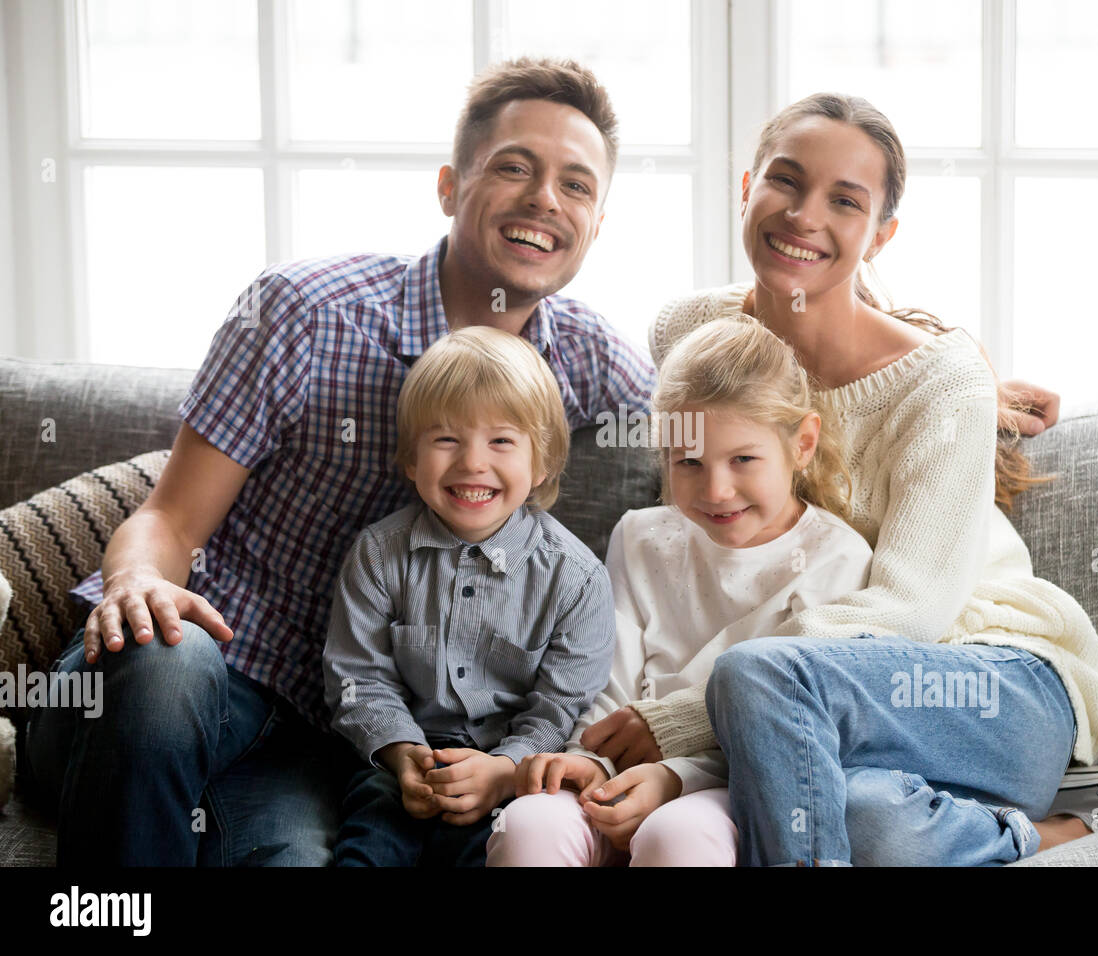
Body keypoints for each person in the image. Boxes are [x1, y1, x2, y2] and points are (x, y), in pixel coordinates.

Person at [581, 92, 1098, 866]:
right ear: (746, 188)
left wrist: (682, 719)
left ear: (881, 234)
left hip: (988, 682)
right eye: (785, 181)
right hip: (827, 711)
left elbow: (911, 608)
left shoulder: (941, 385)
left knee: (755, 673)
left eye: (845, 200)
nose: (804, 215)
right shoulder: (689, 331)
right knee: (867, 826)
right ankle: (1051, 829)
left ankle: (1013, 790)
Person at [22, 57, 656, 867]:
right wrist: (136, 581)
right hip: (188, 677)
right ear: (449, 187)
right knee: (169, 657)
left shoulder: (582, 354)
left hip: (319, 744)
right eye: (514, 168)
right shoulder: (304, 312)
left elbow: (723, 425)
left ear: (597, 224)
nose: (545, 200)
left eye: (577, 186)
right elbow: (169, 519)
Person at [485, 318, 873, 866]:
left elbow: (796, 729)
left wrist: (673, 777)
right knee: (531, 822)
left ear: (802, 443)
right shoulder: (642, 535)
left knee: (678, 836)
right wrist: (589, 761)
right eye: (688, 462)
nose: (716, 490)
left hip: (733, 781)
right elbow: (607, 676)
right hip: (617, 772)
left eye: (743, 459)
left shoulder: (836, 558)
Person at [322, 327, 614, 867]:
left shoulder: (577, 578)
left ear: (541, 462)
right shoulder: (379, 554)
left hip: (509, 775)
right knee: (370, 844)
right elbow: (358, 678)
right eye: (446, 440)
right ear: (411, 459)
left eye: (501, 441)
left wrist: (504, 771)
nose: (473, 463)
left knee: (501, 848)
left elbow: (561, 707)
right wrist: (401, 754)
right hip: (401, 765)